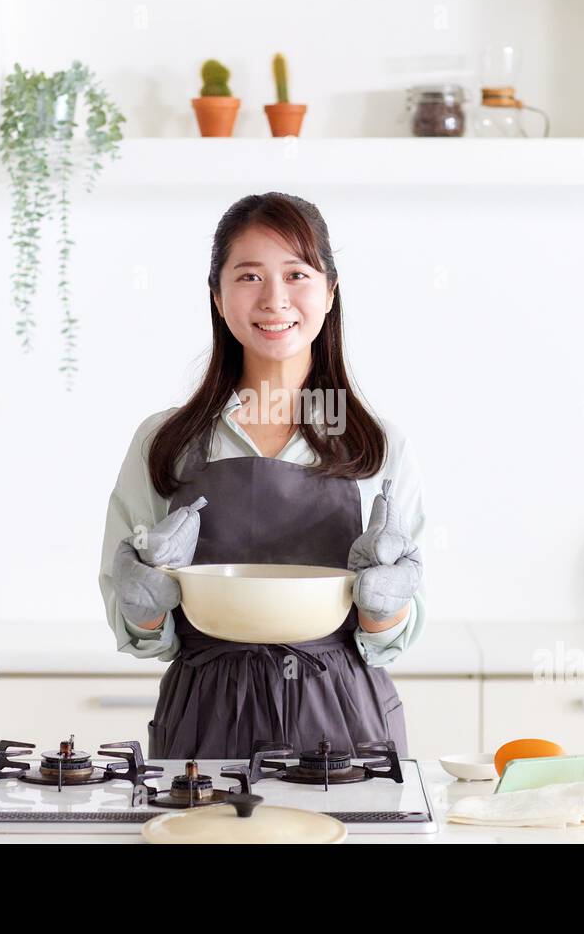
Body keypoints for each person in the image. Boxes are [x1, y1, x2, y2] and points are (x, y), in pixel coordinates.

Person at [98, 191, 425, 759]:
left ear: (330, 290)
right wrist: (143, 599)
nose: (275, 299)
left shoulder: (377, 443)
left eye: (296, 273)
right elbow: (143, 634)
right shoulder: (165, 442)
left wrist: (383, 602)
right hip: (206, 716)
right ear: (218, 297)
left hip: (344, 721)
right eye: (249, 276)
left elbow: (391, 638)